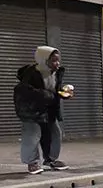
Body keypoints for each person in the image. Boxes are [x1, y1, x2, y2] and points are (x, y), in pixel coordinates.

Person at [14, 46, 72, 174]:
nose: (57, 63)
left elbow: (54, 89)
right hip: (31, 110)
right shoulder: (31, 74)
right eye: (53, 61)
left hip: (48, 109)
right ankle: (32, 162)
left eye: (58, 60)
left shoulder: (56, 73)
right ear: (43, 60)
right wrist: (46, 95)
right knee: (32, 135)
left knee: (55, 132)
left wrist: (62, 92)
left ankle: (51, 159)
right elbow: (25, 92)